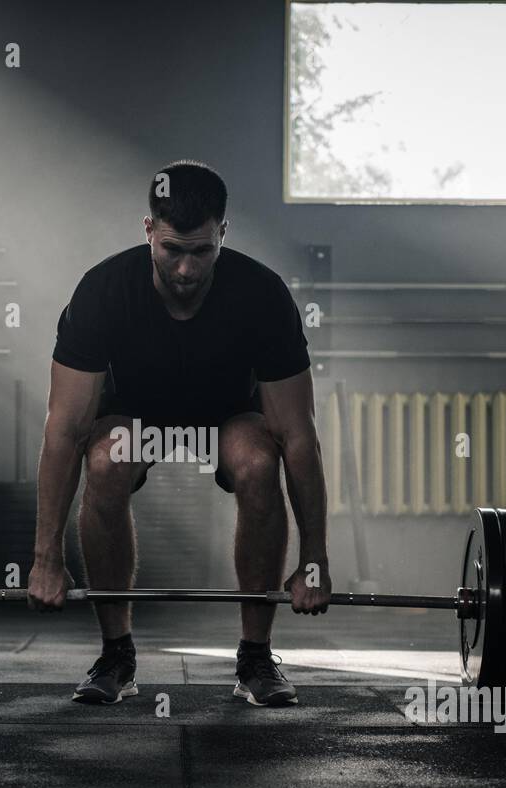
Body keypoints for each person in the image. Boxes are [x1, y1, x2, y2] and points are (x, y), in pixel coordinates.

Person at [28, 160, 331, 707]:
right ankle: (116, 655)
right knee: (103, 462)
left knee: (261, 463)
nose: (187, 269)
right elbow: (65, 430)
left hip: (226, 423)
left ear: (223, 234)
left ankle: (255, 659)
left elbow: (299, 437)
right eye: (173, 250)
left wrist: (314, 558)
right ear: (149, 230)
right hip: (136, 420)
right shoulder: (102, 293)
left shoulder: (262, 295)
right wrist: (46, 556)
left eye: (202, 251)